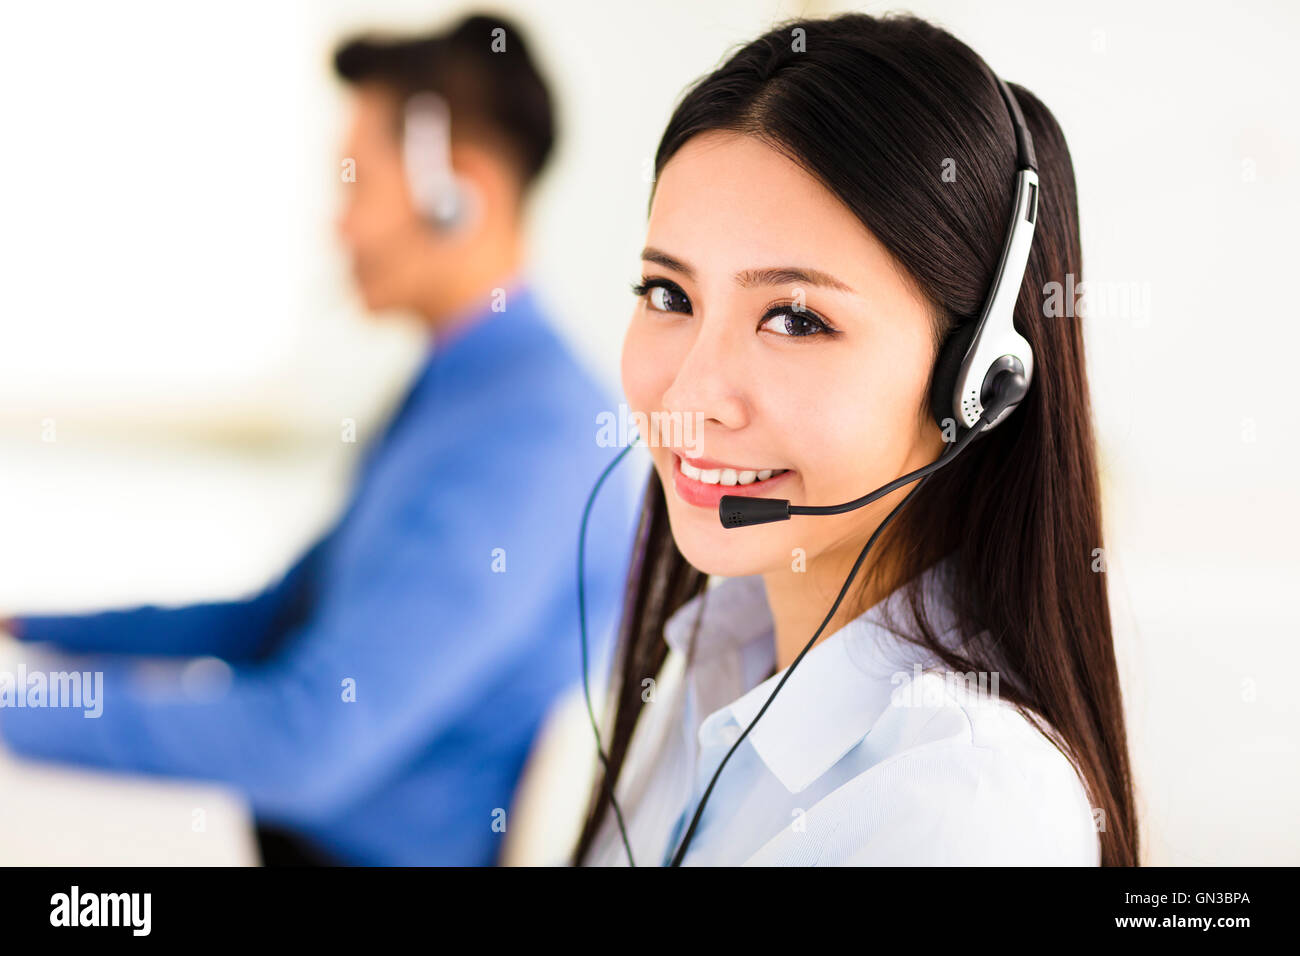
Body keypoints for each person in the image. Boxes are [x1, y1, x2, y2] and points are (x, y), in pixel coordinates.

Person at [0, 13, 637, 866]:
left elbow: (305, 741)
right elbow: (275, 620)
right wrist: (28, 627)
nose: (338, 228)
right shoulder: (460, 387)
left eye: (356, 187)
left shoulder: (532, 432)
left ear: (456, 195)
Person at [570, 12, 1139, 866]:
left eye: (795, 319)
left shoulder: (963, 813)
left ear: (974, 383)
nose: (689, 395)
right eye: (669, 294)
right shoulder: (721, 650)